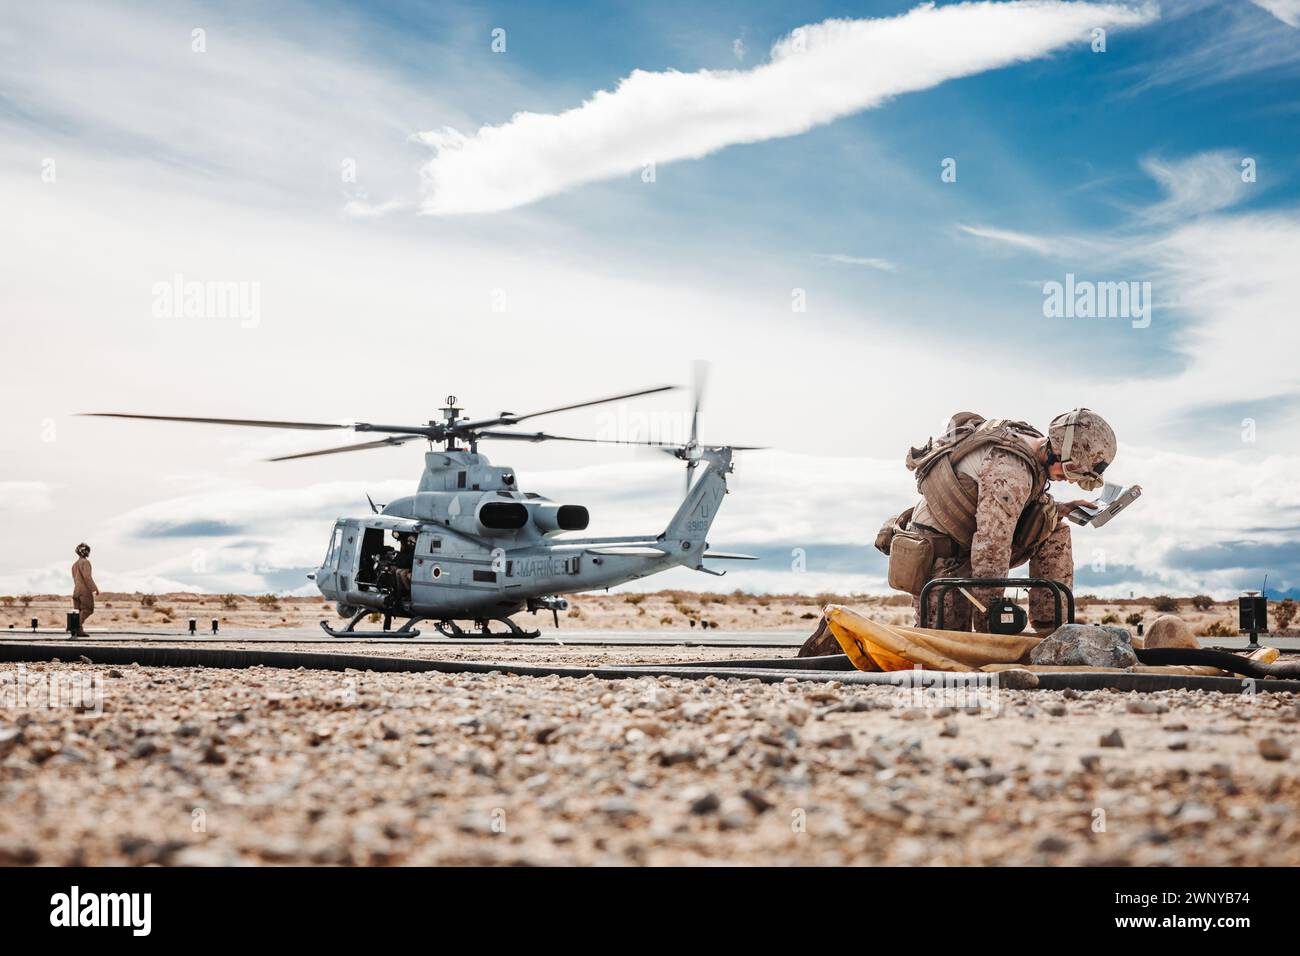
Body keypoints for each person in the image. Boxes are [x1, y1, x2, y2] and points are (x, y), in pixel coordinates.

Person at [890, 408, 1116, 633]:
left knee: (1055, 529)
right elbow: (991, 546)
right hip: (942, 558)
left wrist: (1060, 510)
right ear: (1058, 449)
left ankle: (1052, 629)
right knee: (946, 647)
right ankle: (998, 632)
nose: (1069, 480)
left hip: (965, 543)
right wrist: (991, 623)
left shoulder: (1029, 444)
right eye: (1071, 471)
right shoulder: (1011, 471)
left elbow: (1006, 516)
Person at [71, 543, 99, 637]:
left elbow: (74, 578)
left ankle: (78, 630)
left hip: (76, 590)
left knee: (78, 611)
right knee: (88, 609)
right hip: (84, 590)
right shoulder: (85, 562)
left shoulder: (74, 565)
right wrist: (94, 588)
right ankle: (75, 626)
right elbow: (87, 577)